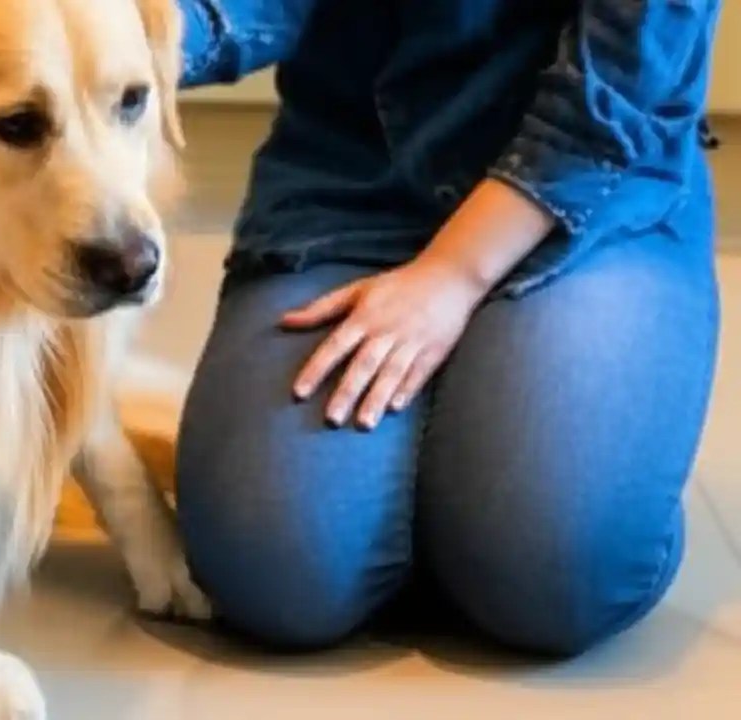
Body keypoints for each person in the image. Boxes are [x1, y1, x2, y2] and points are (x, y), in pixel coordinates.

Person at [172, 0, 722, 656]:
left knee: (555, 574)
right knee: (272, 570)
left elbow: (633, 72)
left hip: (590, 196)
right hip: (355, 187)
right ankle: (454, 499)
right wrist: (134, 25)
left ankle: (552, 486)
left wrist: (451, 276)